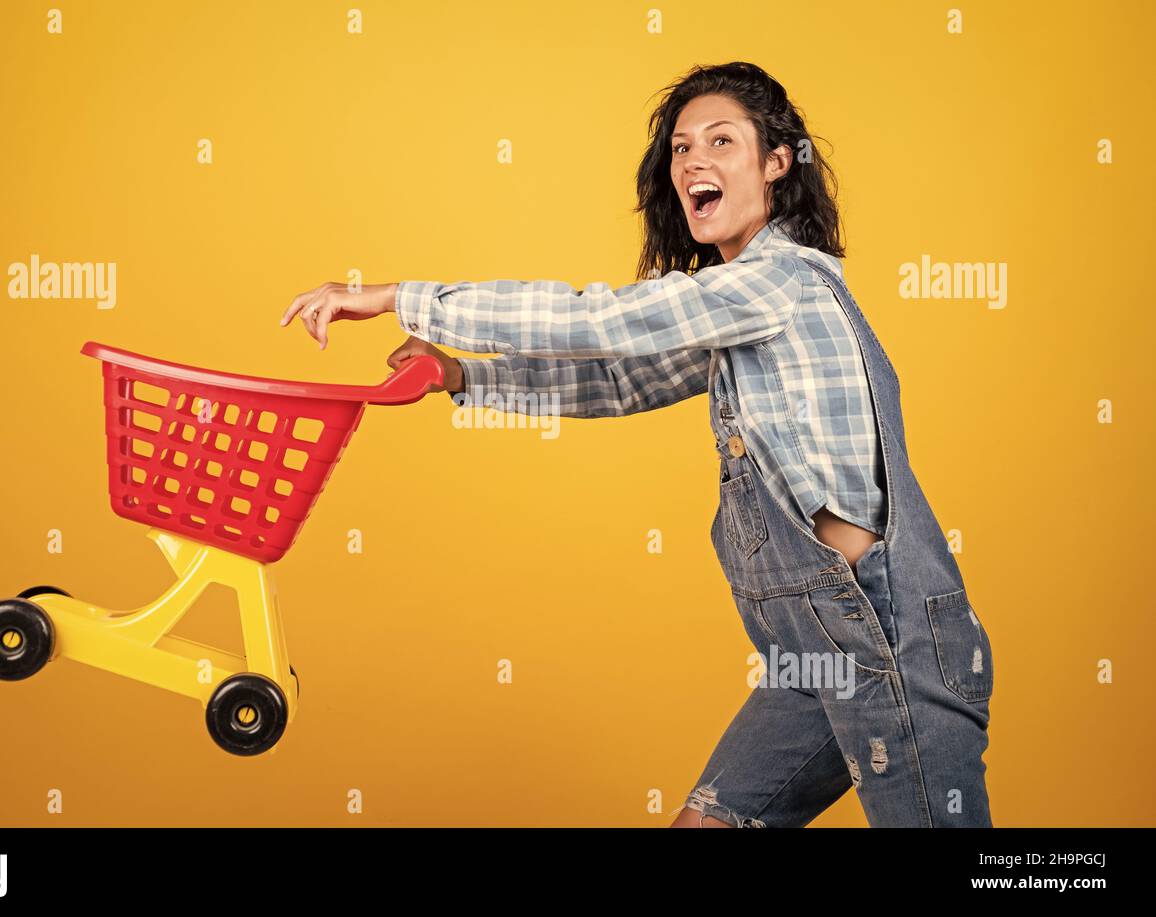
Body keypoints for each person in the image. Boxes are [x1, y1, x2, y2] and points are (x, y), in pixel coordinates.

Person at [280, 61, 994, 828]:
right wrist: (461, 377)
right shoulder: (737, 316)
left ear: (776, 165)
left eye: (722, 141)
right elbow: (619, 382)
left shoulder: (779, 282)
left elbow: (603, 322)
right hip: (809, 655)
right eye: (682, 148)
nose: (695, 162)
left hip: (888, 636)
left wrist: (399, 297)